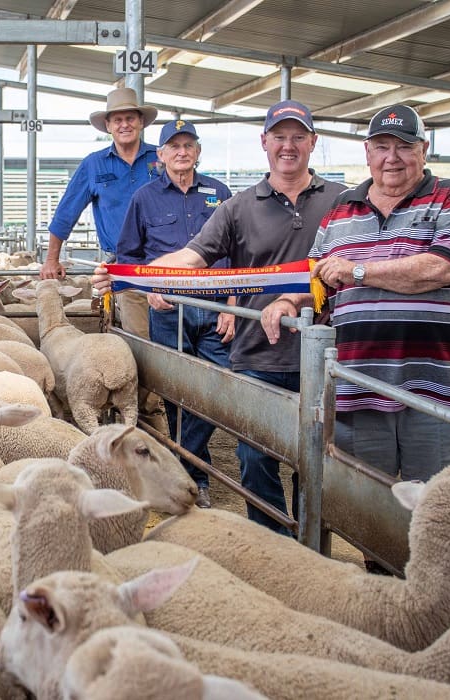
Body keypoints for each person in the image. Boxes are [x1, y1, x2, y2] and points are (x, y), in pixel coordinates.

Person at [93, 100, 346, 534]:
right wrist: (124, 277)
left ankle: (310, 542)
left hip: (326, 352)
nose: (288, 146)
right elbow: (193, 257)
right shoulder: (238, 206)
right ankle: (271, 540)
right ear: (264, 142)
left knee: (320, 458)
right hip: (257, 349)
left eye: (298, 137)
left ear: (312, 142)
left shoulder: (342, 201)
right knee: (254, 456)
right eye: (279, 137)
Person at [264, 103, 450, 487]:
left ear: (424, 151)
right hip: (356, 388)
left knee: (440, 500)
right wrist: (287, 300)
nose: (391, 157)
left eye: (404, 147)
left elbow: (445, 267)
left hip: (432, 392)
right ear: (367, 152)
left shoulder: (449, 196)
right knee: (365, 505)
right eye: (381, 146)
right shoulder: (341, 208)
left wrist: (357, 271)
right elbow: (317, 278)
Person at [116, 119, 233, 508]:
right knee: (177, 395)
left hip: (215, 308)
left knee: (221, 389)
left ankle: (179, 462)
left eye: (189, 145)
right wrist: (150, 288)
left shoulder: (220, 193)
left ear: (198, 152)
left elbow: (238, 253)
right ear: (161, 154)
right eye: (174, 146)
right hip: (169, 309)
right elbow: (128, 256)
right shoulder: (144, 198)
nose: (182, 152)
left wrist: (233, 306)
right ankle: (196, 479)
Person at [41, 88, 159, 280]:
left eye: (130, 118)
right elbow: (66, 212)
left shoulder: (162, 157)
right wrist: (51, 259)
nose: (124, 125)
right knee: (124, 300)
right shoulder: (93, 164)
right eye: (117, 120)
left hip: (164, 261)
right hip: (119, 264)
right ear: (108, 125)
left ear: (141, 122)